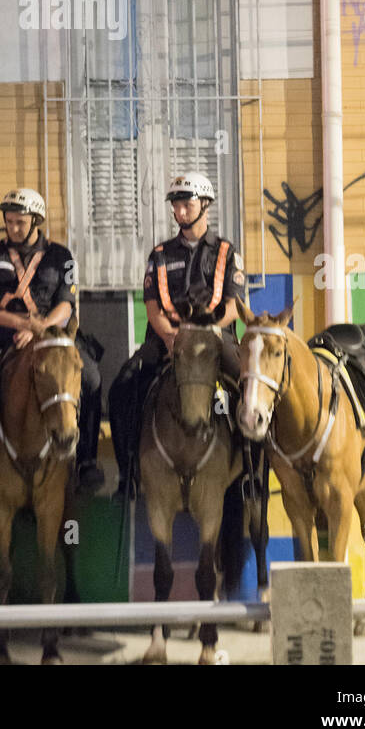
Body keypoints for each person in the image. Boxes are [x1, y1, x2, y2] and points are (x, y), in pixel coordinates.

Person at [0, 188, 105, 493]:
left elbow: (66, 305)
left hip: (52, 334)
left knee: (92, 378)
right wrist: (18, 322)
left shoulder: (61, 256)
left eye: (20, 222)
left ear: (36, 221)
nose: (13, 227)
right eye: (9, 221)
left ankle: (87, 462)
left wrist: (38, 328)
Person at [108, 173, 245, 500]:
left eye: (187, 204)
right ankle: (129, 474)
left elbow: (235, 306)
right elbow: (153, 306)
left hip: (215, 336)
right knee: (122, 388)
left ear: (205, 205)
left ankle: (251, 470)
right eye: (176, 206)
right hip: (165, 338)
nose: (180, 211)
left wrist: (209, 330)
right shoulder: (160, 254)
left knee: (249, 386)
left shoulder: (227, 252)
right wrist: (171, 339)